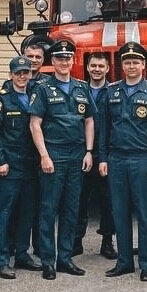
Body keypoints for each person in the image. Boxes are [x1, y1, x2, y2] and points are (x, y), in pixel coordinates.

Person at [99, 42, 147, 282]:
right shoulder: (111, 91)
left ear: (143, 65)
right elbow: (104, 129)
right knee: (119, 212)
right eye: (127, 62)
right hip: (117, 159)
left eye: (136, 62)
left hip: (142, 159)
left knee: (146, 214)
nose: (131, 66)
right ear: (122, 65)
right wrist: (103, 158)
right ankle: (125, 261)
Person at [29, 39, 94, 279]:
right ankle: (48, 260)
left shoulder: (82, 88)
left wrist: (89, 151)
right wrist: (44, 155)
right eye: (59, 58)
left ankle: (65, 258)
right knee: (48, 208)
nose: (64, 62)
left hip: (77, 154)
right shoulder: (43, 89)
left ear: (73, 60)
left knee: (71, 208)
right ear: (52, 62)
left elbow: (89, 120)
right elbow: (35, 124)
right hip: (54, 154)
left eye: (68, 58)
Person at [0, 56, 42, 278]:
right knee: (4, 214)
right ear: (10, 75)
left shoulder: (35, 96)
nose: (22, 76)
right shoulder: (1, 99)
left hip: (30, 166)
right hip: (8, 166)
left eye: (26, 73)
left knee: (26, 213)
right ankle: (1, 259)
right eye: (18, 73)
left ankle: (22, 253)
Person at [76, 51, 115, 259]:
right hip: (80, 151)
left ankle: (107, 242)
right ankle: (76, 241)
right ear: (88, 68)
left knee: (107, 198)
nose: (97, 70)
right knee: (78, 197)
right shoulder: (78, 90)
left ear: (107, 69)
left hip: (104, 153)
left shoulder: (114, 92)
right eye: (93, 66)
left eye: (101, 66)